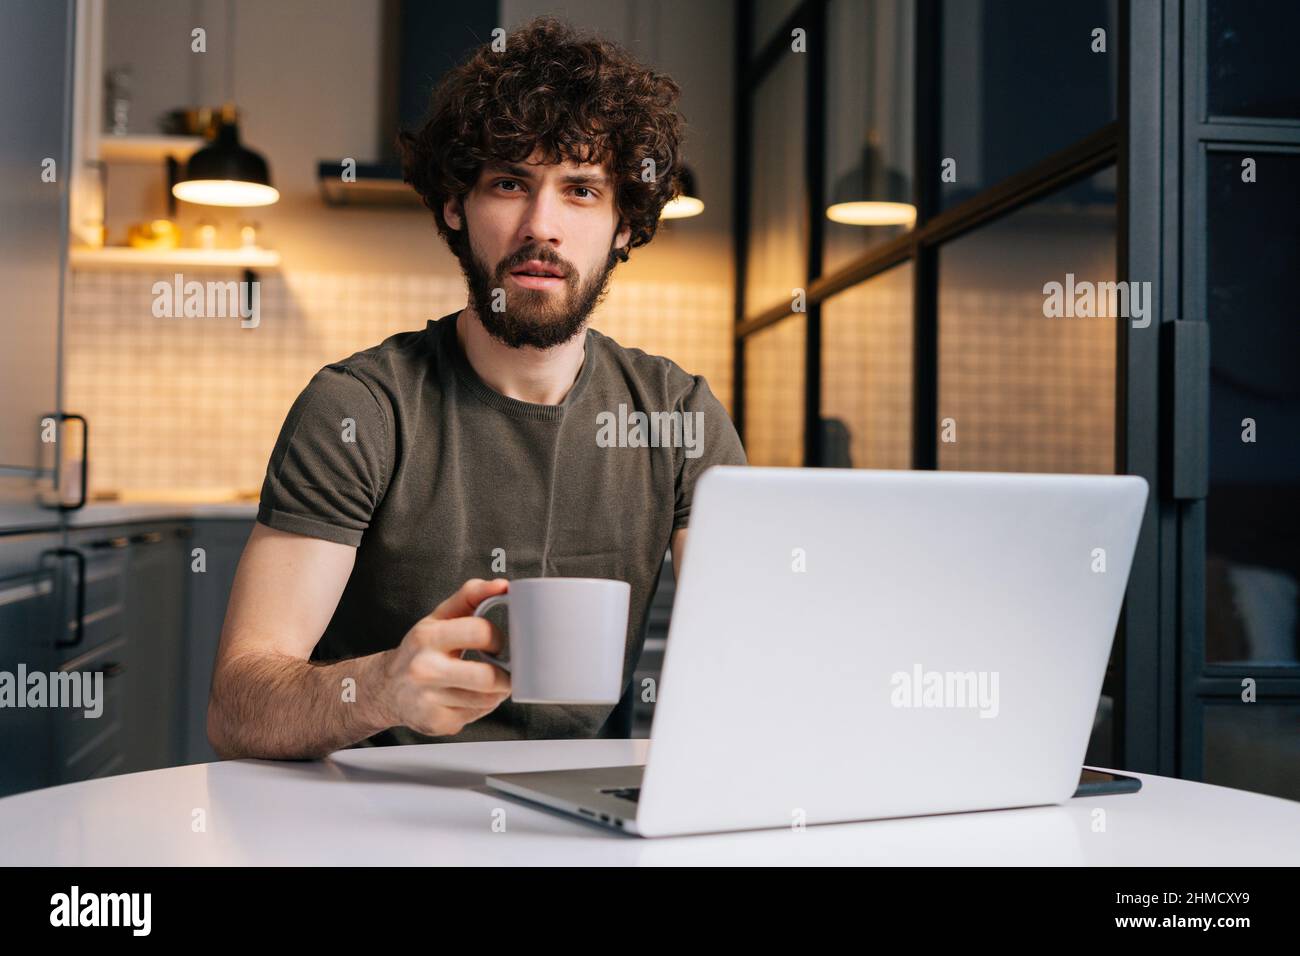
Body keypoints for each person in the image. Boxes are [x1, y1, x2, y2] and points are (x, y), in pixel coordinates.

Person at [207, 17, 746, 759]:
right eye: (508, 183)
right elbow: (237, 708)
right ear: (456, 207)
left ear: (625, 225)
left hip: (576, 821)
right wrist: (380, 687)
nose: (542, 225)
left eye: (582, 191)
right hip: (365, 817)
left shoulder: (679, 417)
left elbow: (747, 662)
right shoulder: (359, 410)